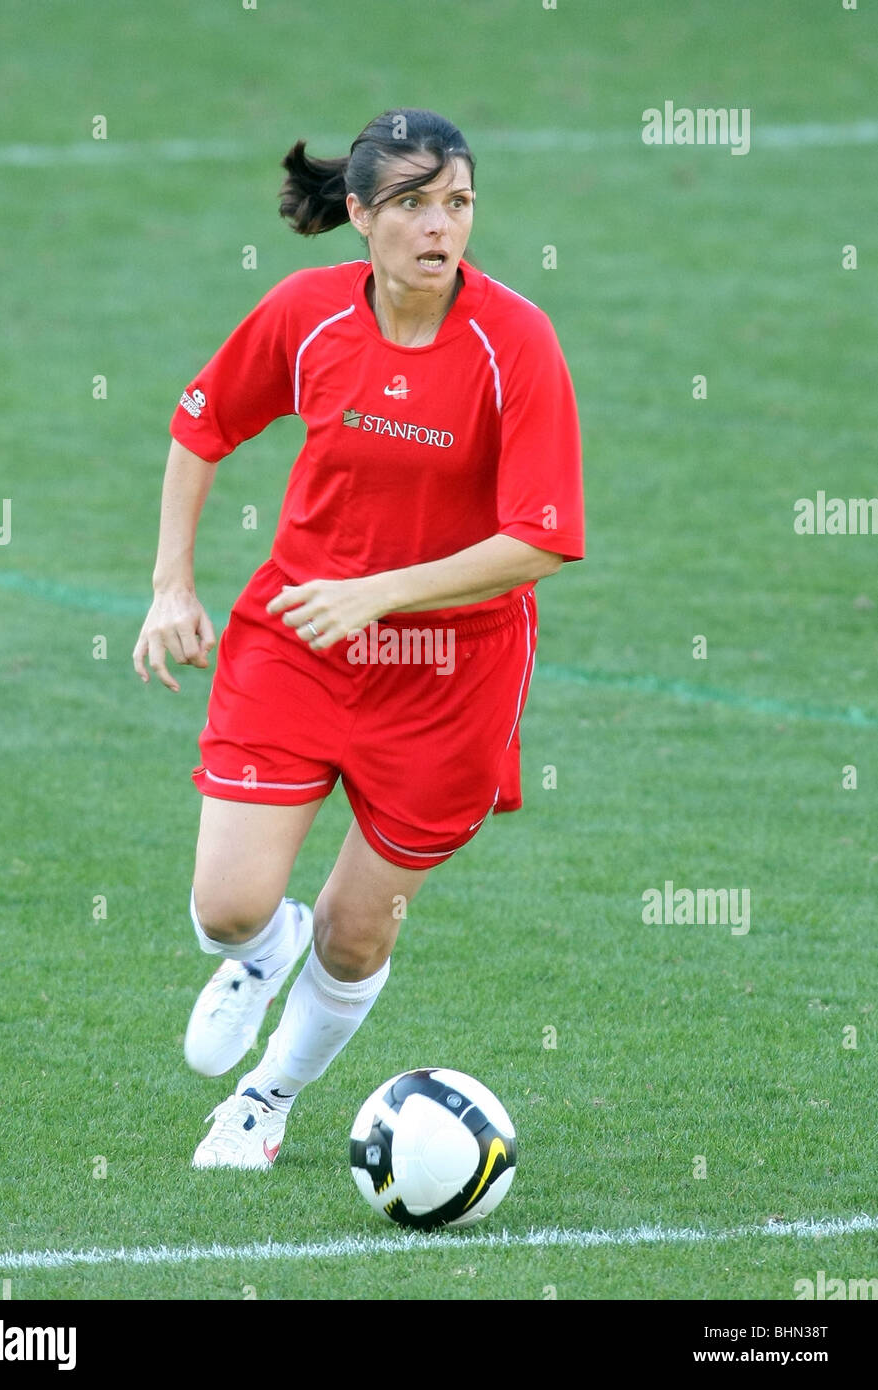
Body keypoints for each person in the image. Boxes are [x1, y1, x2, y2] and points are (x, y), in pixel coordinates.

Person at [132, 108, 584, 1171]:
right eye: (414, 205)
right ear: (358, 216)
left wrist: (379, 594)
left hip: (451, 674)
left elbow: (542, 540)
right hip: (299, 638)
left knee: (354, 930)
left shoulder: (511, 340)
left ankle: (264, 1099)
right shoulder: (307, 314)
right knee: (230, 906)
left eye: (458, 203)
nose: (441, 228)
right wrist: (169, 586)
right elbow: (202, 423)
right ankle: (257, 951)